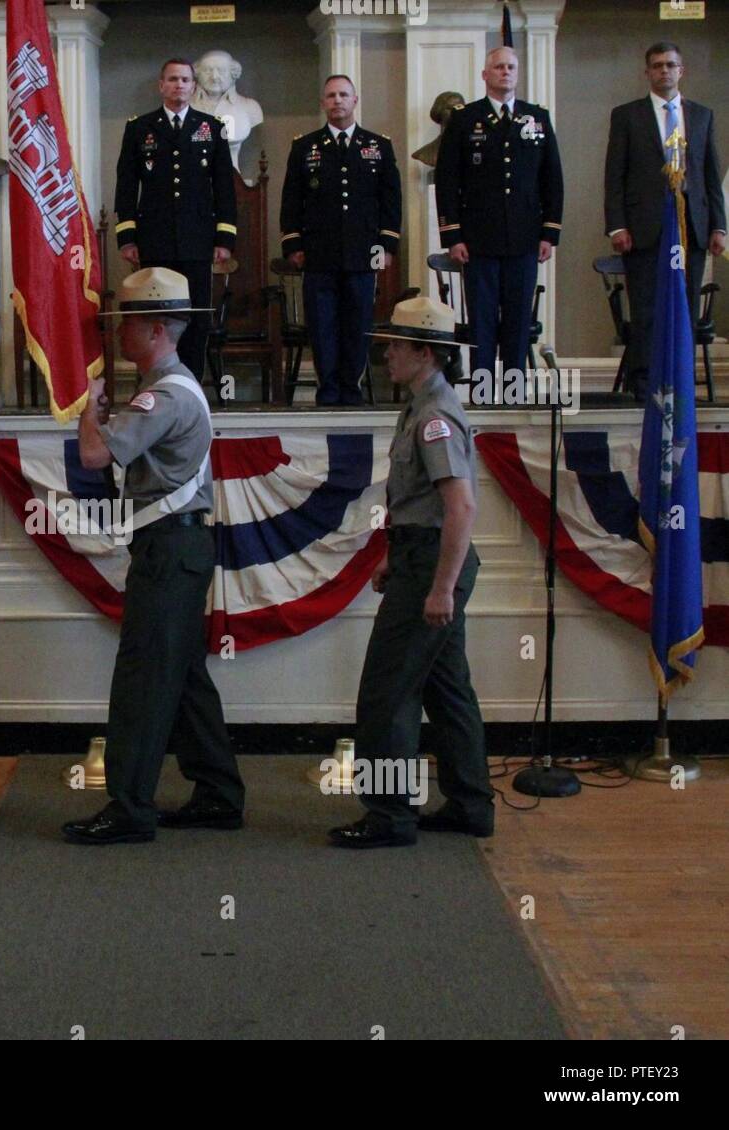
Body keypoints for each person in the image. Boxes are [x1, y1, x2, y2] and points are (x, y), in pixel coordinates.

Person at [63, 268, 245, 845]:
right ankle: (218, 793)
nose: (116, 334)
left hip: (169, 549)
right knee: (183, 676)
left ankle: (130, 806)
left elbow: (95, 455)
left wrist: (87, 408)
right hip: (177, 546)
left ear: (156, 328)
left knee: (144, 675)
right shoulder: (173, 386)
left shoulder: (163, 395)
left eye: (127, 323)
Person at [329, 297, 494, 849]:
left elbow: (461, 508)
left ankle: (389, 816)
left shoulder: (433, 420)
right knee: (447, 690)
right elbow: (420, 503)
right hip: (420, 559)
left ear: (426, 352)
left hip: (432, 568)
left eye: (397, 346)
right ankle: (471, 804)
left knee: (387, 694)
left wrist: (439, 586)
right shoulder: (422, 407)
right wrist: (393, 557)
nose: (388, 356)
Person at [605, 40, 726, 401]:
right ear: (647, 72)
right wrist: (617, 225)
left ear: (681, 70)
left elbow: (709, 173)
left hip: (692, 227)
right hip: (644, 229)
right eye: (657, 65)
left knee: (684, 307)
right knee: (646, 310)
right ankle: (644, 386)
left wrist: (719, 226)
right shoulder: (627, 115)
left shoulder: (702, 116)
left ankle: (681, 383)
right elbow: (614, 175)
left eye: (671, 65)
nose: (665, 71)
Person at [436, 46, 563, 385]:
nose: (505, 72)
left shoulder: (537, 118)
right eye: (498, 67)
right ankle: (482, 394)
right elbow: (447, 181)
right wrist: (453, 235)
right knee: (482, 321)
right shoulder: (464, 118)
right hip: (478, 240)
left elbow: (552, 179)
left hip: (524, 238)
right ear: (485, 74)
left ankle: (513, 395)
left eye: (511, 67)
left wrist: (549, 233)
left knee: (518, 321)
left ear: (517, 73)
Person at [281, 74, 401, 406]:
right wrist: (294, 244)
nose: (337, 101)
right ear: (323, 102)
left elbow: (390, 202)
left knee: (357, 324)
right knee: (322, 327)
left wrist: (386, 247)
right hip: (319, 255)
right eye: (331, 95)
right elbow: (292, 200)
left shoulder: (378, 146)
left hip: (364, 254)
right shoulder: (305, 147)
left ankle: (352, 388)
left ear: (355, 100)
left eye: (343, 95)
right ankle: (328, 390)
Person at [114, 59, 237, 382]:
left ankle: (190, 383)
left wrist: (224, 239)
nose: (179, 85)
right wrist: (127, 236)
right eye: (172, 79)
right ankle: (155, 384)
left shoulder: (211, 127)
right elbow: (126, 185)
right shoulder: (140, 128)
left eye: (185, 79)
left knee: (194, 315)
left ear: (193, 86)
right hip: (155, 239)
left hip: (198, 240)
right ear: (161, 85)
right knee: (155, 315)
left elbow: (224, 187)